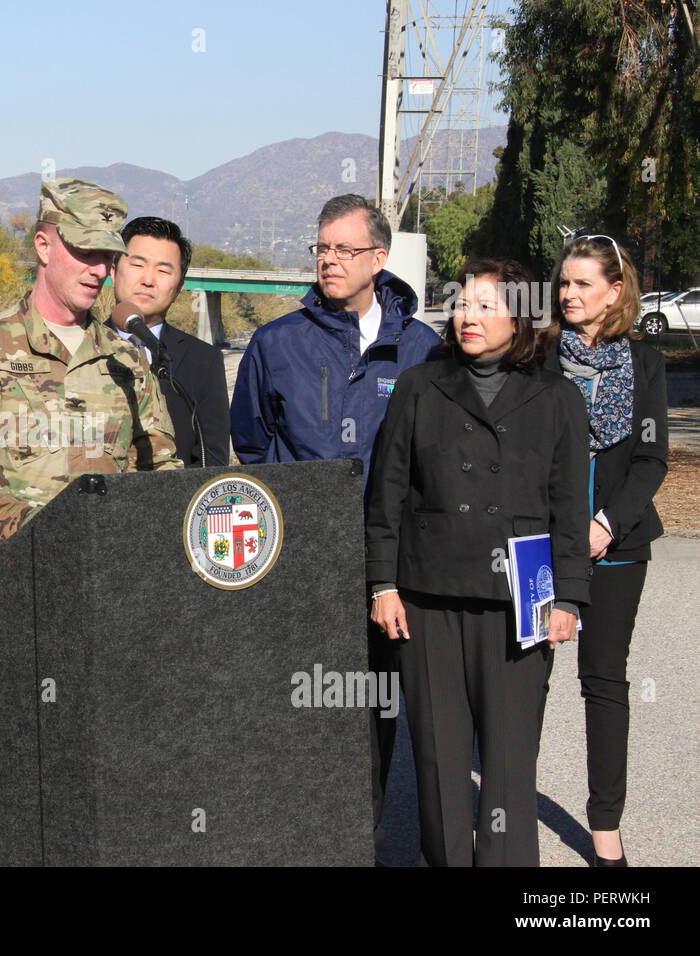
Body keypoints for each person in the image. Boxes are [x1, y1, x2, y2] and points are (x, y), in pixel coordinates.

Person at [0, 177, 183, 866]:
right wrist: (56, 545)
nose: (98, 270)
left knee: (95, 806)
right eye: (83, 252)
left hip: (105, 625)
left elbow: (166, 480)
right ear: (43, 244)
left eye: (108, 257)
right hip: (9, 619)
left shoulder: (129, 363)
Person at [229, 193, 440, 858]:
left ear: (378, 259)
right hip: (296, 567)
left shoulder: (423, 350)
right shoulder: (275, 343)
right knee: (298, 712)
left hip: (387, 570)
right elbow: (253, 445)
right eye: (321, 248)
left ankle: (363, 841)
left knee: (375, 712)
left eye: (344, 250)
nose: (328, 261)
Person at [366, 256, 592, 866]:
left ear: (522, 317)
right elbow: (386, 494)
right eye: (462, 302)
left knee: (509, 759)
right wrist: (382, 583)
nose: (467, 314)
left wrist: (569, 597)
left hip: (522, 600)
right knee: (439, 760)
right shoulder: (420, 385)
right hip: (426, 596)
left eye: (485, 305)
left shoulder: (557, 396)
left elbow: (570, 507)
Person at [544, 235, 668, 867]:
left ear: (615, 291)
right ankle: (501, 813)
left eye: (583, 284)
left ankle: (605, 827)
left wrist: (607, 523)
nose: (568, 294)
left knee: (604, 682)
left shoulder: (644, 365)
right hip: (541, 546)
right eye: (563, 283)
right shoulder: (539, 356)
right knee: (523, 682)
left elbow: (651, 459)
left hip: (617, 547)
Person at [109, 216, 230, 467]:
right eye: (137, 264)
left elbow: (212, 462)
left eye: (163, 270)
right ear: (113, 270)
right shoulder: (77, 347)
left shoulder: (204, 361)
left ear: (179, 287)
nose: (148, 280)